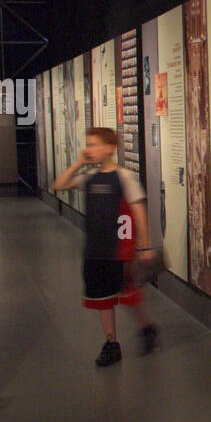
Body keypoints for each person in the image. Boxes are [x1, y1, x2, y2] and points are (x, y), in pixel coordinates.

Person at [54, 126, 158, 366]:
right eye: (88, 144)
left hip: (119, 250)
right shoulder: (89, 177)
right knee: (103, 299)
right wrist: (78, 163)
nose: (88, 149)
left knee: (128, 295)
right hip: (95, 249)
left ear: (109, 148)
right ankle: (111, 343)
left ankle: (146, 327)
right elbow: (59, 185)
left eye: (93, 144)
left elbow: (139, 210)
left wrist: (145, 246)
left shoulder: (123, 177)